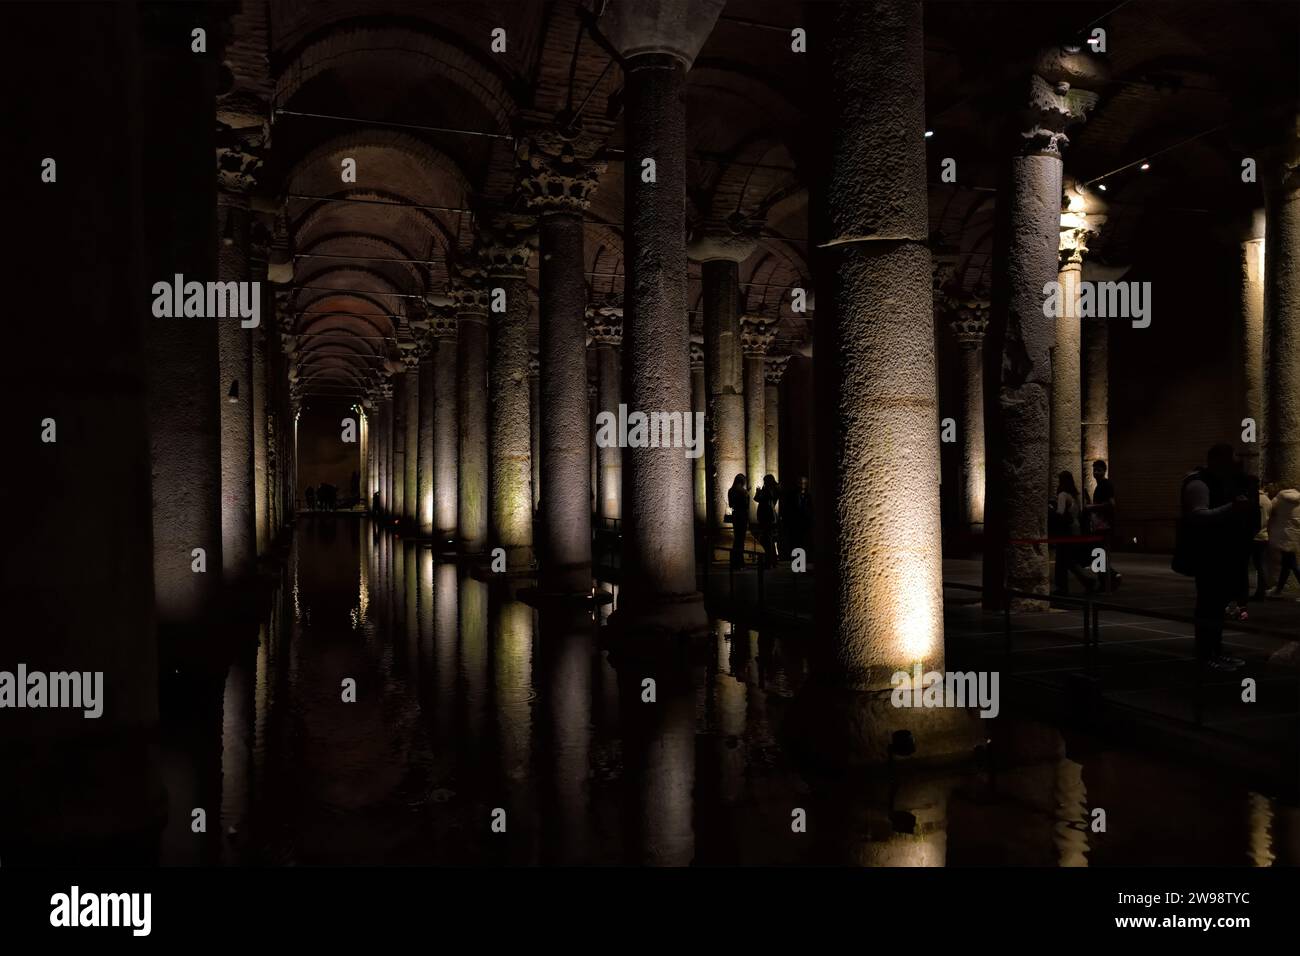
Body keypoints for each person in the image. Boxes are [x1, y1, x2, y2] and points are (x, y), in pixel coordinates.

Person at [1173, 444, 1251, 671]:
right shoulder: (1198, 483)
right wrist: (1232, 508)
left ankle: (1215, 652)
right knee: (1208, 607)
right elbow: (1198, 516)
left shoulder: (1216, 483)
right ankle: (1206, 655)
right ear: (1219, 461)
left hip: (1219, 555)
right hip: (1206, 556)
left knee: (1217, 607)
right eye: (1232, 460)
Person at [1052, 471, 1095, 595]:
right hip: (1076, 530)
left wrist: (1051, 510)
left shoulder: (1063, 495)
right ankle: (1086, 581)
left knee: (1061, 560)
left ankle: (1062, 587)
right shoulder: (1075, 496)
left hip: (1065, 532)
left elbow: (1060, 513)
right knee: (1069, 561)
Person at [1083, 460, 1122, 591]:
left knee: (1098, 553)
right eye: (1094, 470)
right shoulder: (1099, 486)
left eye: (1099, 470)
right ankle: (1106, 579)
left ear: (1104, 471)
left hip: (1104, 526)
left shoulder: (1106, 484)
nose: (1096, 473)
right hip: (1099, 525)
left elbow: (1111, 504)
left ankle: (1110, 577)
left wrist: (1092, 507)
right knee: (1097, 554)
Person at [1266, 484, 1300, 598]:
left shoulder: (1281, 496)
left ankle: (1278, 590)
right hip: (1294, 534)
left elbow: (1271, 507)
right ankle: (1278, 590)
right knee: (1287, 564)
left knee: (1292, 564)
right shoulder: (1299, 499)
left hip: (1283, 535)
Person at [1252, 482, 1275, 600]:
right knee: (1261, 564)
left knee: (1256, 565)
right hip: (1264, 535)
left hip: (1254, 536)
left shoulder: (1254, 499)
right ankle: (1262, 590)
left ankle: (1260, 591)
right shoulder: (1268, 500)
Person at [754, 474, 781, 568]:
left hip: (767, 517)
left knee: (767, 540)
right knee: (769, 539)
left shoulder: (769, 490)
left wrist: (758, 492)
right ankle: (773, 560)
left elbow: (759, 499)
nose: (764, 482)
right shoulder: (773, 489)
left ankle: (769, 561)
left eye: (765, 481)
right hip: (768, 517)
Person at [727, 474, 749, 569]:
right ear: (742, 481)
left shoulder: (731, 490)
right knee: (741, 540)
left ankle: (734, 561)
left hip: (735, 516)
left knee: (737, 539)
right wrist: (747, 494)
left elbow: (731, 504)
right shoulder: (743, 491)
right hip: (742, 516)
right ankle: (740, 562)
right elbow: (746, 505)